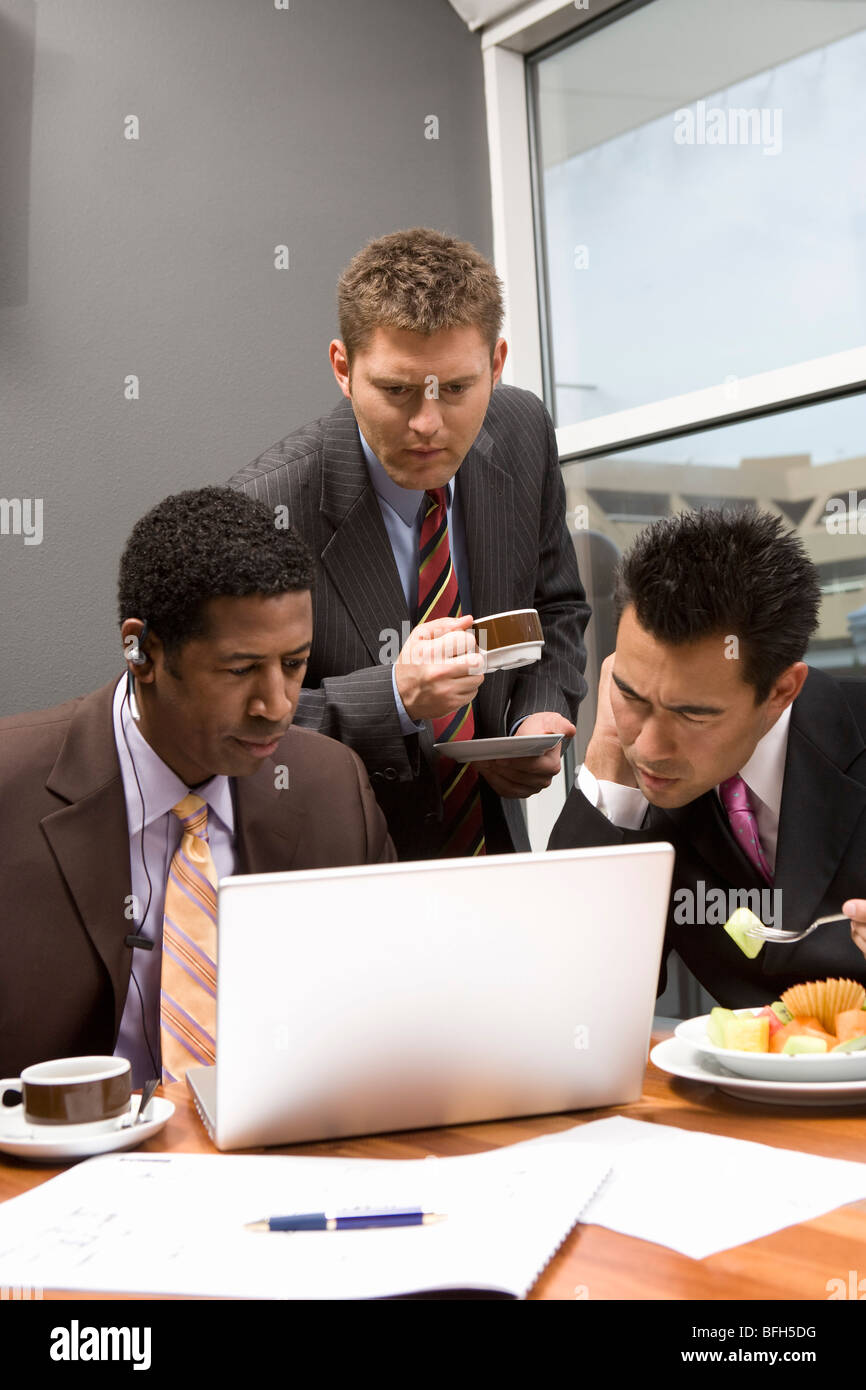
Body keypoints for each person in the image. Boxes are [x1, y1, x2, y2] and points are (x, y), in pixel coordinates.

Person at [0, 488, 394, 1082]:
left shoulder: (332, 786)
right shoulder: (10, 788)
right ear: (144, 651)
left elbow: (388, 1014)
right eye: (240, 671)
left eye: (294, 664)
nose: (277, 705)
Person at [228, 227, 589, 860]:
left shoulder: (525, 429)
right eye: (397, 391)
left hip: (495, 862)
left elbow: (555, 609)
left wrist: (532, 719)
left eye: (456, 389)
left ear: (497, 365)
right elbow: (233, 723)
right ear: (344, 369)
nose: (428, 423)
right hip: (337, 875)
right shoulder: (263, 509)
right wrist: (393, 697)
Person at [548, 508, 866, 1007]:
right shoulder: (637, 788)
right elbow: (571, 995)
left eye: (693, 715)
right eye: (631, 695)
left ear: (782, 690)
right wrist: (608, 757)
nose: (650, 750)